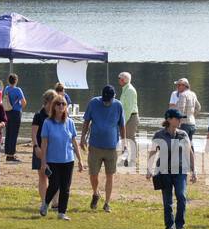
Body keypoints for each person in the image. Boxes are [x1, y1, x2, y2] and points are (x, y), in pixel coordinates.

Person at [148, 109, 195, 229]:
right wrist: (149, 169)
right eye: (177, 118)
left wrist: (193, 170)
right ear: (169, 119)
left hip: (180, 170)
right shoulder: (159, 135)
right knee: (167, 200)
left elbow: (189, 152)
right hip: (164, 171)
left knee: (181, 196)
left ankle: (180, 226)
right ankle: (170, 226)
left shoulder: (183, 134)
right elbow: (153, 152)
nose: (180, 120)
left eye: (180, 118)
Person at [38, 95, 84, 219]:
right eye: (58, 104)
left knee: (65, 187)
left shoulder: (70, 122)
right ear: (54, 106)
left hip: (68, 160)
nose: (61, 106)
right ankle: (45, 204)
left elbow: (74, 142)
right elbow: (44, 143)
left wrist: (80, 160)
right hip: (53, 160)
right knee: (54, 185)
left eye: (63, 104)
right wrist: (43, 162)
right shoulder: (47, 123)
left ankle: (62, 213)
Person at [81, 84, 125, 212]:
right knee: (93, 174)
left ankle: (107, 203)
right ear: (102, 96)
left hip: (111, 147)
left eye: (109, 100)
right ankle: (96, 193)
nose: (107, 102)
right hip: (95, 146)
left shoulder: (118, 105)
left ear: (114, 97)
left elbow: (122, 125)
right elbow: (86, 121)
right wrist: (82, 137)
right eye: (105, 100)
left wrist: (124, 142)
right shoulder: (93, 103)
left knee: (109, 175)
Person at [31, 89, 58, 207]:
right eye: (54, 103)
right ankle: (44, 202)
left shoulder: (57, 115)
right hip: (41, 149)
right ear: (47, 102)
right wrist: (36, 147)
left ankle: (55, 202)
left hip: (54, 149)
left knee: (56, 176)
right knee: (43, 176)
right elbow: (33, 133)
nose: (56, 105)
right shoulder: (39, 115)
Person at [168, 78, 202, 142]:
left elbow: (181, 110)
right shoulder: (193, 94)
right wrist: (192, 115)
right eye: (177, 85)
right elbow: (198, 107)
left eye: (179, 85)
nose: (177, 87)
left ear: (184, 86)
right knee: (189, 143)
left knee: (180, 144)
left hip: (184, 124)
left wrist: (178, 123)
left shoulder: (182, 95)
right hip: (192, 124)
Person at [3, 73, 26, 161]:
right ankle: (11, 155)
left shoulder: (6, 89)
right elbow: (23, 102)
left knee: (8, 133)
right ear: (16, 81)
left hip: (7, 112)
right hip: (16, 113)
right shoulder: (18, 90)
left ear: (8, 80)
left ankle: (8, 152)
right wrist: (20, 107)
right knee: (14, 133)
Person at [117, 71, 139, 166]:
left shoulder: (129, 90)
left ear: (123, 80)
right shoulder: (125, 89)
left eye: (119, 78)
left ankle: (133, 160)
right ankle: (125, 159)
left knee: (130, 138)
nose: (118, 80)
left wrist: (123, 121)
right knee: (124, 138)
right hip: (127, 116)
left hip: (131, 117)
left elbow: (129, 108)